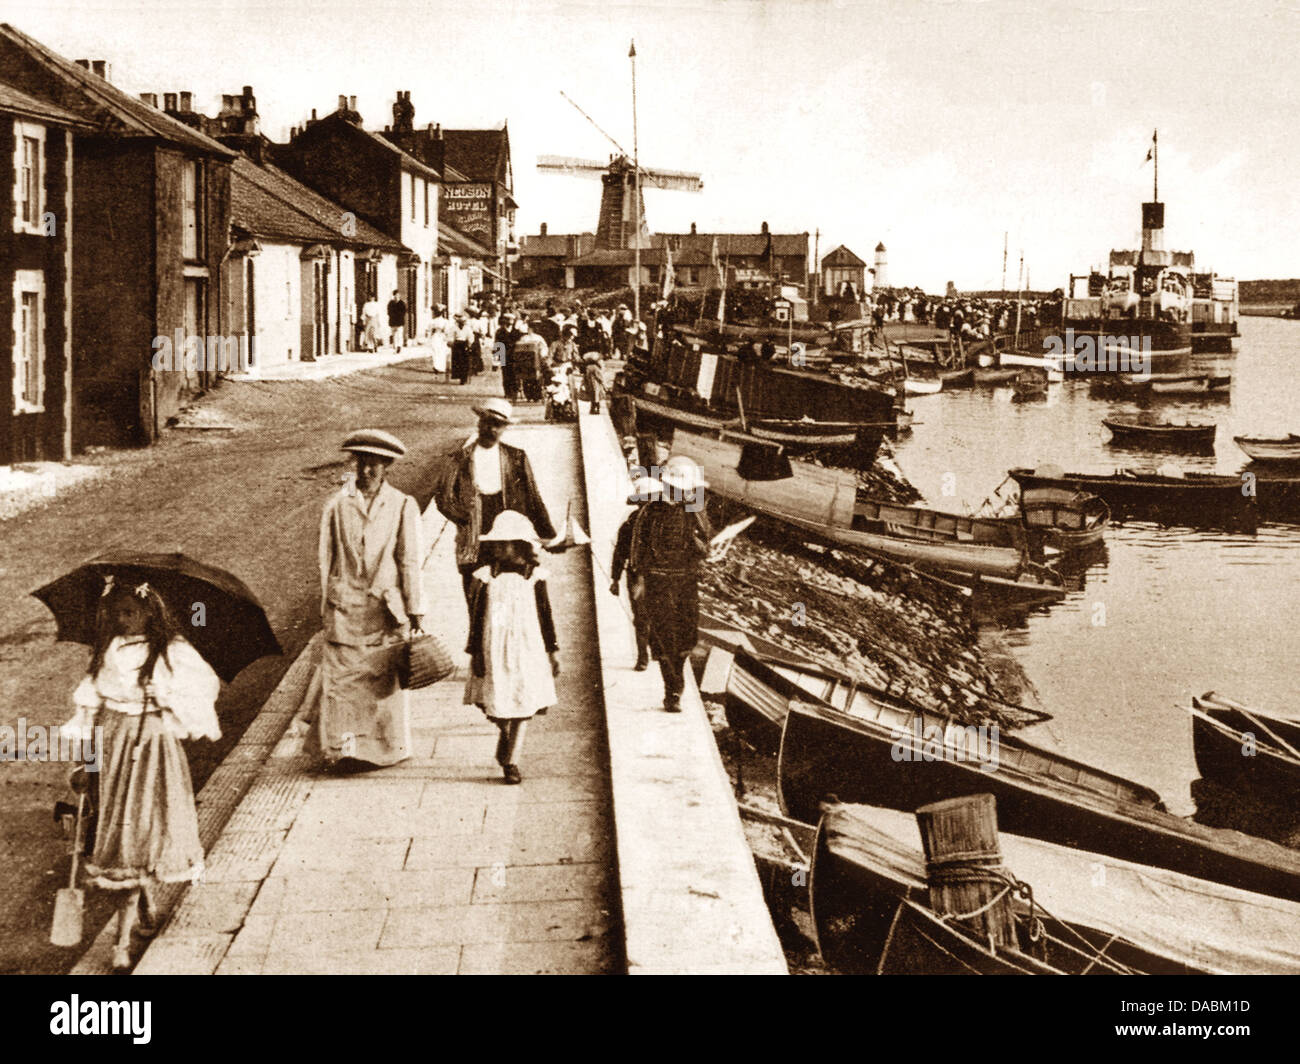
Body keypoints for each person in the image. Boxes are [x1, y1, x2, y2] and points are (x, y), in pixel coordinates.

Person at [59, 578, 221, 970]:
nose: (122, 620)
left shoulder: (170, 652)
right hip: (112, 741)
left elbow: (201, 689)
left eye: (130, 612)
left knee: (143, 828)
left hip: (149, 744)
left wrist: (164, 698)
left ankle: (122, 944)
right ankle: (144, 910)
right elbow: (91, 703)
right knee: (120, 829)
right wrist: (84, 759)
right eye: (116, 613)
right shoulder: (109, 649)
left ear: (151, 612)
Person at [314, 429, 424, 770]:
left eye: (374, 465)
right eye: (362, 464)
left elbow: (409, 560)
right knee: (343, 687)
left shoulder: (403, 505)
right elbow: (325, 559)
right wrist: (327, 604)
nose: (366, 472)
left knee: (382, 687)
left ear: (387, 467)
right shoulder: (336, 505)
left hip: (385, 609)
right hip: (345, 608)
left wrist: (416, 609)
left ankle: (384, 750)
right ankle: (345, 750)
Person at [465, 510, 561, 784]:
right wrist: (474, 653)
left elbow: (545, 615)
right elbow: (476, 618)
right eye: (495, 543)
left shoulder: (535, 577)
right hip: (494, 646)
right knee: (497, 702)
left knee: (523, 701)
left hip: (527, 647)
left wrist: (553, 652)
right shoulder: (486, 577)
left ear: (520, 545)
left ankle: (512, 762)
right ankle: (504, 734)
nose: (498, 548)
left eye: (504, 543)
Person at [432, 398, 557, 608]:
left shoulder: (516, 458)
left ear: (505, 428)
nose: (490, 429)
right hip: (474, 540)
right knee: (477, 601)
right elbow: (443, 498)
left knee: (514, 601)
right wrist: (466, 518)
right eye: (486, 422)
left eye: (497, 425)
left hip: (511, 539)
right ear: (479, 423)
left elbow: (533, 499)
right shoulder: (459, 459)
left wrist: (549, 536)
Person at [624, 456, 712, 711]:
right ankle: (672, 691)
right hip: (657, 580)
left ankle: (677, 677)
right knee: (663, 636)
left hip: (686, 580)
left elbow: (707, 542)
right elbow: (636, 546)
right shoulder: (650, 510)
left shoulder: (694, 509)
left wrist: (700, 547)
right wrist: (639, 579)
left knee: (687, 634)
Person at [610, 475, 663, 670]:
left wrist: (615, 579)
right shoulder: (631, 523)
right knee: (643, 616)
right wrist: (615, 578)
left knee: (646, 616)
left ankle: (647, 655)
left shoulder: (662, 524)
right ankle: (644, 656)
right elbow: (620, 552)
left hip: (652, 576)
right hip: (642, 576)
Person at [513, 322, 548, 403]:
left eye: (530, 328)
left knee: (535, 379)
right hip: (526, 362)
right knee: (527, 379)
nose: (529, 330)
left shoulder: (538, 338)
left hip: (534, 362)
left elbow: (544, 348)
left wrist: (542, 355)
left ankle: (535, 396)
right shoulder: (524, 338)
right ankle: (530, 396)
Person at [495, 312, 519, 399]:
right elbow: (497, 345)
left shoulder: (516, 332)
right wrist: (496, 360)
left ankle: (514, 391)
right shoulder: (499, 332)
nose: (509, 322)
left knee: (514, 374)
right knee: (505, 374)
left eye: (511, 320)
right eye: (507, 320)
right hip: (504, 355)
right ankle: (507, 392)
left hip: (514, 356)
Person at [450, 312, 473, 384]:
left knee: (465, 361)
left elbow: (471, 337)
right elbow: (450, 336)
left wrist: (469, 344)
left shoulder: (468, 328)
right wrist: (451, 342)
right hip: (456, 345)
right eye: (460, 322)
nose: (461, 324)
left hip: (464, 344)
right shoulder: (454, 328)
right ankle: (459, 376)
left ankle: (464, 378)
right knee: (457, 361)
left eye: (462, 322)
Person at [428, 303, 450, 378]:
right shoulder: (445, 321)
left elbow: (429, 330)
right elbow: (447, 331)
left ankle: (436, 366)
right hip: (442, 336)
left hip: (435, 336)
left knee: (435, 351)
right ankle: (441, 367)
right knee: (441, 351)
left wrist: (430, 335)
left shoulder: (432, 321)